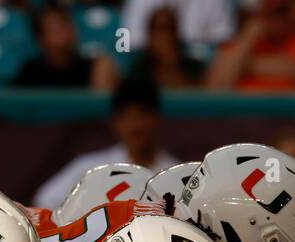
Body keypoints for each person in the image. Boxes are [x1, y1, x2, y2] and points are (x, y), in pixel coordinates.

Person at [32, 78, 178, 211]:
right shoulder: (89, 167)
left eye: (142, 114)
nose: (135, 125)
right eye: (127, 116)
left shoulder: (176, 175)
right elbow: (44, 202)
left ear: (158, 119)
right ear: (115, 122)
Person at [207, 0, 295, 91]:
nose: (276, 18)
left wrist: (242, 65)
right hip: (242, 119)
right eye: (269, 10)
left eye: (282, 10)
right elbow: (217, 86)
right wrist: (248, 40)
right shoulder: (240, 43)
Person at [12, 1, 117, 90]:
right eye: (55, 28)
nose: (64, 31)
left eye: (66, 24)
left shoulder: (92, 69)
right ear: (40, 38)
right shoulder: (29, 72)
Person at [125, 6, 208, 89]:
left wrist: (170, 64)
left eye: (169, 29)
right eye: (159, 30)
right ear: (150, 35)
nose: (164, 37)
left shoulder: (194, 67)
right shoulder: (138, 70)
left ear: (176, 33)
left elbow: (197, 94)